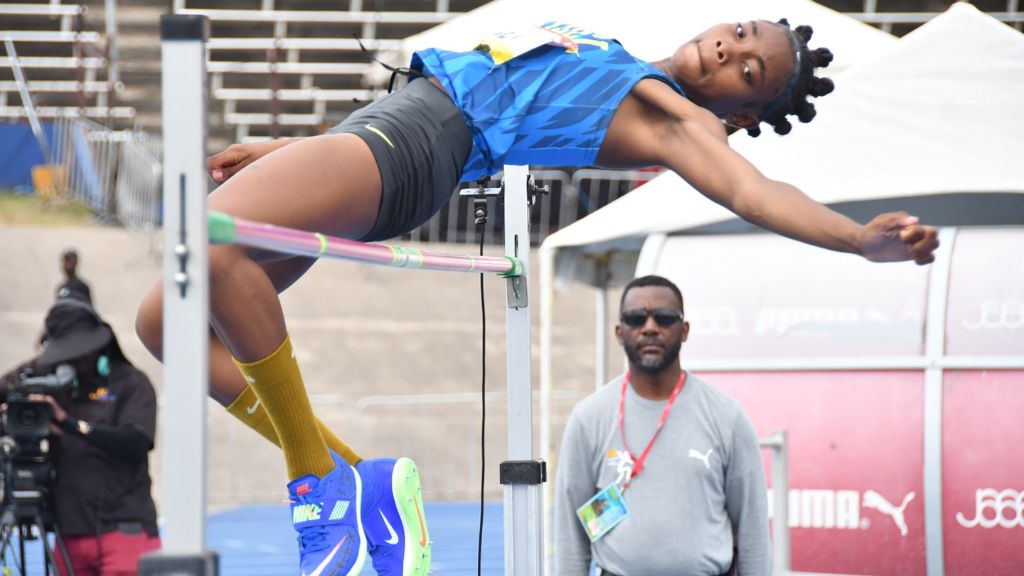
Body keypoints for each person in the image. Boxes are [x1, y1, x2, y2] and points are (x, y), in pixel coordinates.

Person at [134, 18, 939, 576]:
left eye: (748, 67)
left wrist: (855, 239)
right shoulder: (620, 57)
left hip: (414, 147)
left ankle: (320, 488)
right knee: (164, 321)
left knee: (211, 240)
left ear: (747, 106)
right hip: (384, 129)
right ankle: (363, 480)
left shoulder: (676, 120)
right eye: (740, 31)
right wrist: (296, 152)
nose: (728, 47)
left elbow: (755, 193)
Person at [554, 275, 770, 575]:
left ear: (684, 331)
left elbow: (753, 532)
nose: (650, 327)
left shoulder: (727, 417)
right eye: (636, 318)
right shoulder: (588, 418)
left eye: (665, 318)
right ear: (619, 332)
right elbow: (569, 533)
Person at [1, 297, 161, 576]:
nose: (77, 360)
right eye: (67, 353)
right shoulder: (53, 383)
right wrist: (35, 372)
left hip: (124, 531)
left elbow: (135, 442)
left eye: (82, 351)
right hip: (69, 535)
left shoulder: (132, 383)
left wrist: (70, 424)